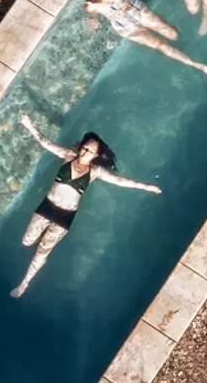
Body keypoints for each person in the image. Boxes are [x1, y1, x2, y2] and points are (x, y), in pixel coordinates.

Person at [10, 114, 160, 297]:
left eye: (90, 151)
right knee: (26, 242)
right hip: (47, 207)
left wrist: (147, 187)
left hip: (64, 217)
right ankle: (40, 250)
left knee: (41, 253)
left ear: (96, 156)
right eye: (85, 147)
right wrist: (29, 125)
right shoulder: (68, 156)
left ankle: (24, 284)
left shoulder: (95, 171)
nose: (85, 151)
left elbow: (120, 180)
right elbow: (46, 142)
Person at [81, 0, 207, 75]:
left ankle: (185, 45)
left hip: (139, 11)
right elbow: (95, 17)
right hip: (127, 28)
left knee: (173, 34)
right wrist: (94, 22)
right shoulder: (92, 6)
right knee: (160, 45)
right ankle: (196, 65)